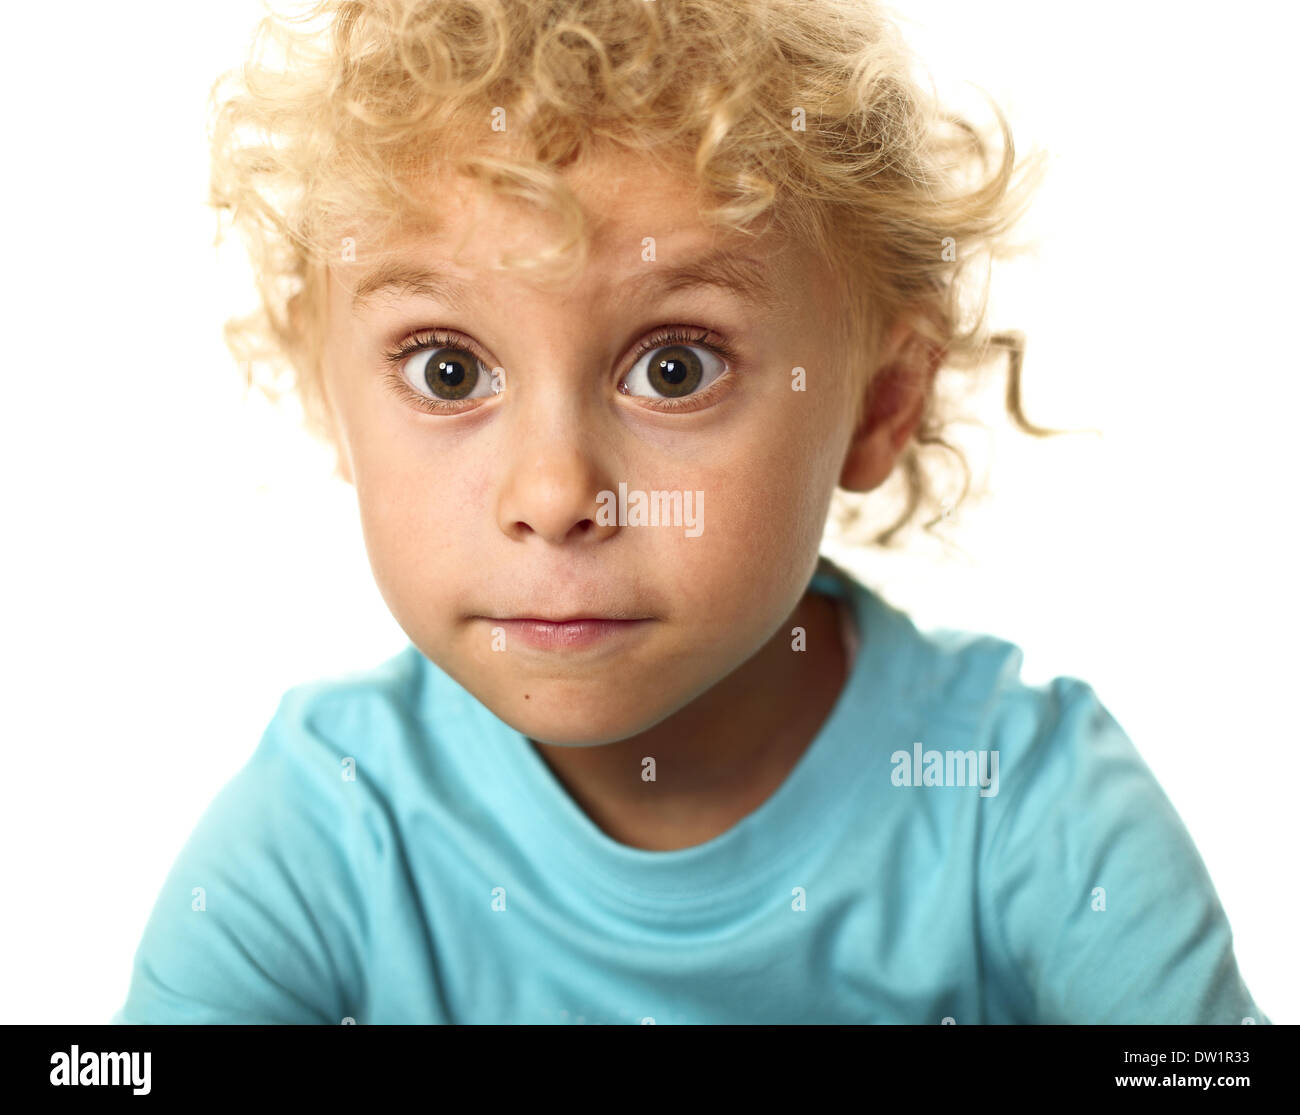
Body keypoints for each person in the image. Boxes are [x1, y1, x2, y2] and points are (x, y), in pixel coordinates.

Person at [112, 0, 1268, 1024]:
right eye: (449, 370)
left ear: (876, 404)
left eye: (674, 367)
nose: (556, 495)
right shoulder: (324, 824)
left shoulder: (1019, 805)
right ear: (332, 396)